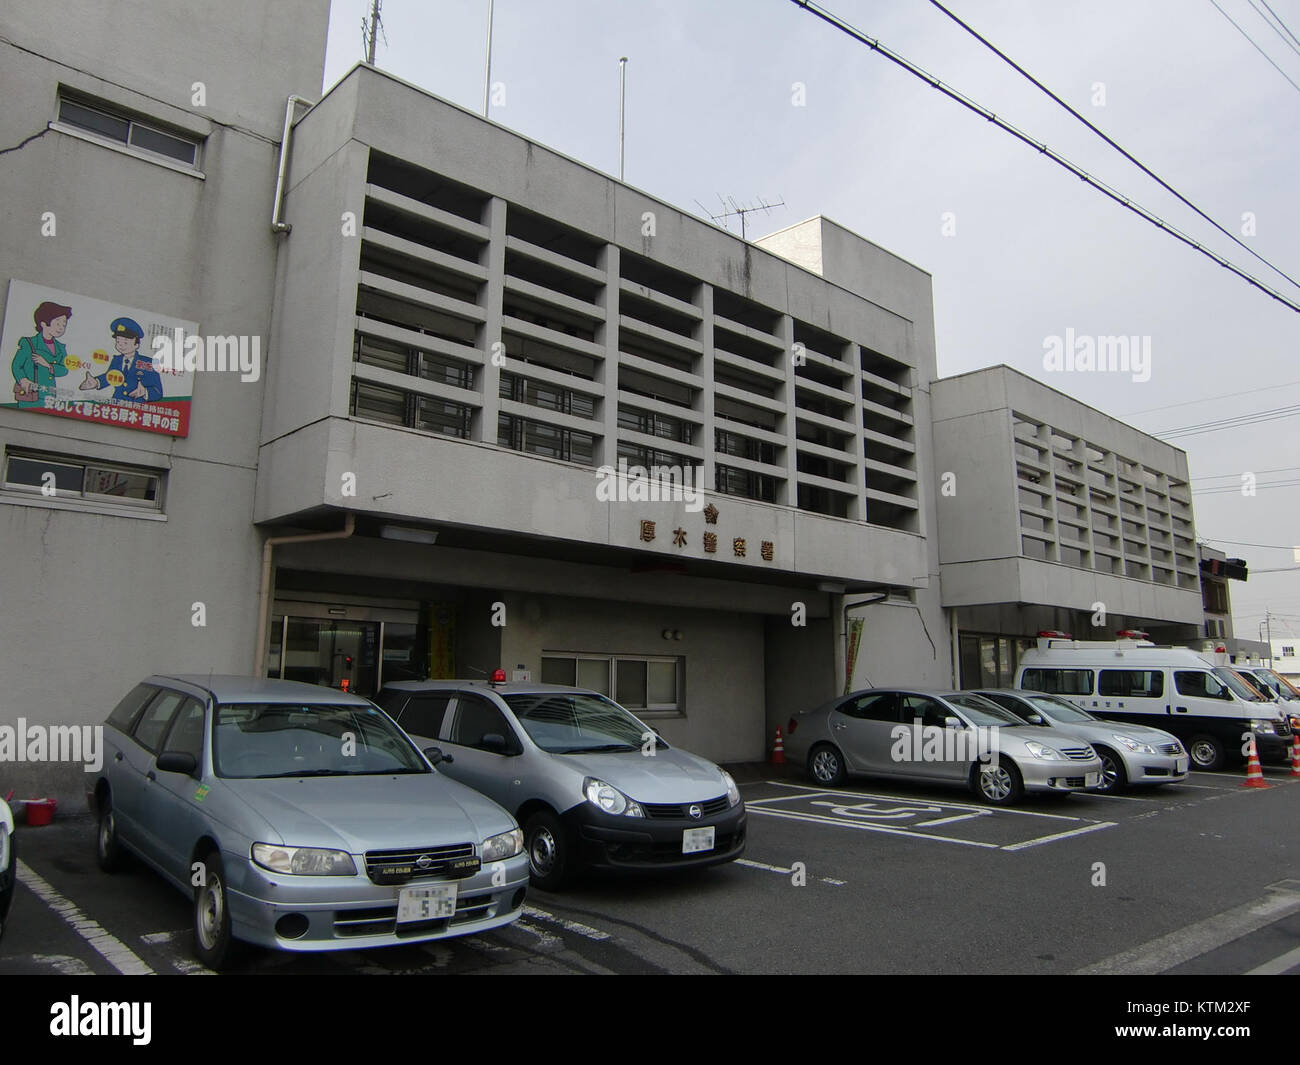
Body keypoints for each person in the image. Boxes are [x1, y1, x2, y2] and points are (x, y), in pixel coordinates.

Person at [79, 317, 162, 402]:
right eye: (118, 341)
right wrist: (96, 382)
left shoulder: (149, 362)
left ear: (136, 344)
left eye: (125, 342)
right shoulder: (117, 360)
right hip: (116, 403)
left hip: (137, 406)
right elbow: (110, 376)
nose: (121, 345)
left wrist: (145, 392)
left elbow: (158, 391)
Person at [11, 300, 72, 408]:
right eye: (58, 323)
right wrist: (23, 380)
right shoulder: (29, 343)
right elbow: (16, 365)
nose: (61, 328)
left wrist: (48, 365)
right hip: (30, 394)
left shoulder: (61, 347)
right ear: (43, 323)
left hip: (50, 396)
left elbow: (64, 370)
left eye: (64, 324)